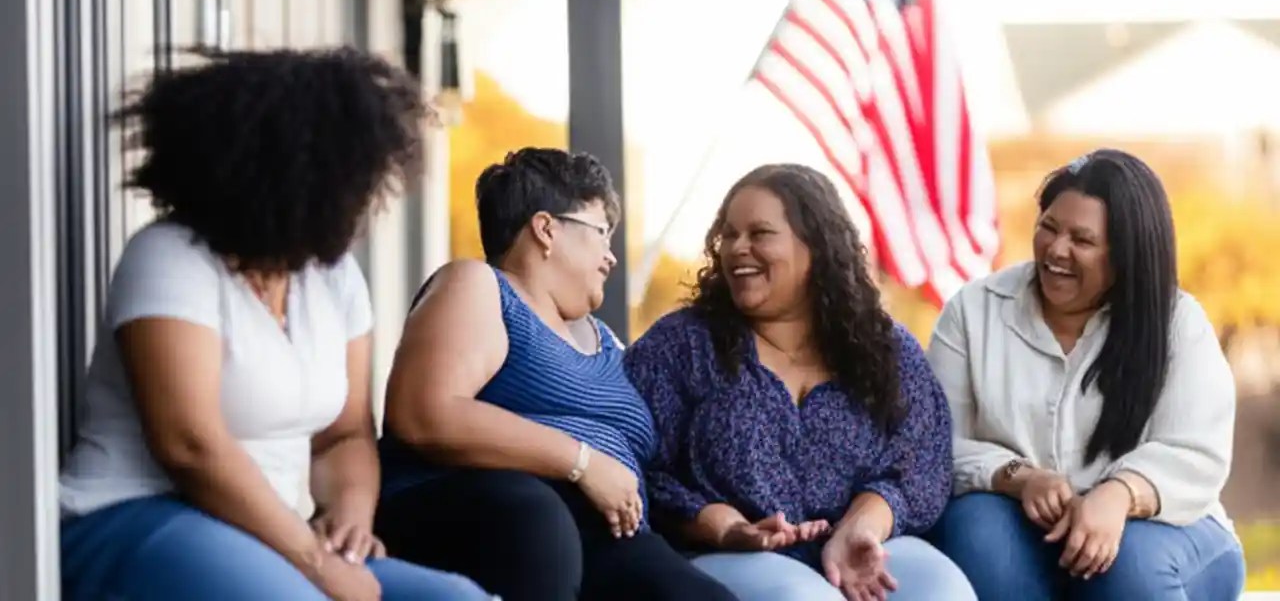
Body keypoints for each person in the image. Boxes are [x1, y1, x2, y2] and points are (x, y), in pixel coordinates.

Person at [58, 49, 491, 601]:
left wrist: (349, 522)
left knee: (459, 599)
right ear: (292, 179)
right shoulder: (169, 257)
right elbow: (189, 444)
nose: (364, 205)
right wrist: (312, 562)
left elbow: (345, 434)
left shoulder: (331, 280)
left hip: (272, 537)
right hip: (133, 517)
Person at [374, 147, 737, 601]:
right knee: (538, 516)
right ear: (546, 229)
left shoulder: (611, 344)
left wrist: (729, 520)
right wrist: (581, 462)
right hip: (491, 512)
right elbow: (424, 414)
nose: (611, 258)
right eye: (602, 233)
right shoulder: (481, 287)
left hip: (607, 536)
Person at [624, 163, 976, 601]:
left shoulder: (886, 347)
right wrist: (726, 527)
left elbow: (922, 463)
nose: (737, 248)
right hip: (732, 554)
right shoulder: (681, 347)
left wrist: (860, 527)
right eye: (728, 235)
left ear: (817, 246)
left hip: (868, 544)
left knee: (944, 594)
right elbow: (636, 468)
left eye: (760, 233)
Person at [926, 149, 1245, 600]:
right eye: (1049, 228)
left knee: (1128, 565)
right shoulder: (973, 310)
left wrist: (1119, 495)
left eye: (1083, 240)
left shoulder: (1178, 323)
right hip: (1021, 529)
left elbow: (1199, 454)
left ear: (1125, 255)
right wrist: (1018, 476)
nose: (1056, 250)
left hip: (1165, 534)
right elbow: (934, 445)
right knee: (977, 530)